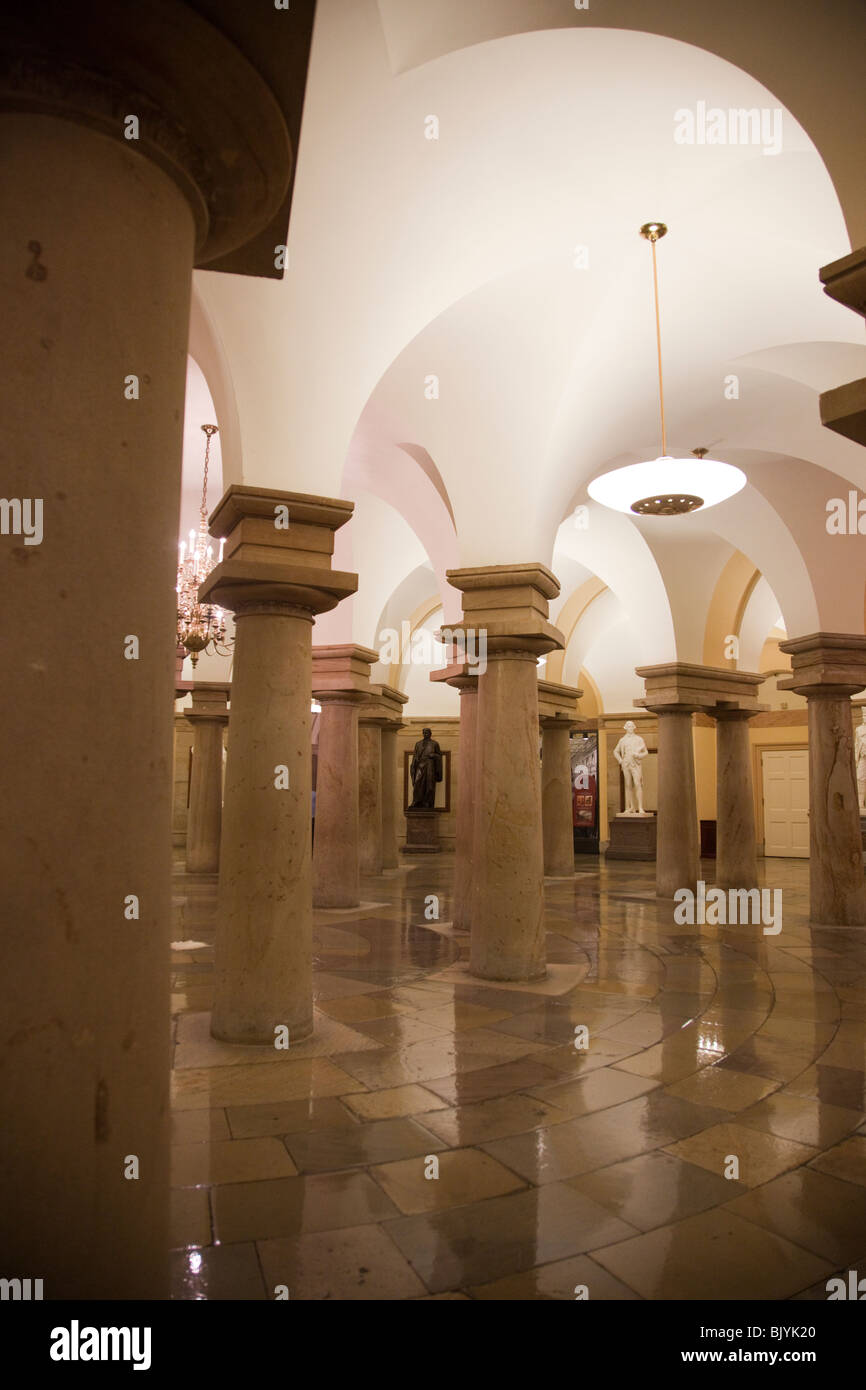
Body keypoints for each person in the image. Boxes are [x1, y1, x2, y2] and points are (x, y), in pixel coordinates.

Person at [612, 719, 648, 815]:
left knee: (637, 784)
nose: (630, 728)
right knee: (628, 785)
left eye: (631, 726)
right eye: (628, 726)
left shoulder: (639, 739)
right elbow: (615, 751)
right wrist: (620, 760)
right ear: (625, 728)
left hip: (635, 763)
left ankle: (640, 807)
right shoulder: (622, 740)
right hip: (626, 763)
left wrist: (639, 755)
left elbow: (645, 752)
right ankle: (629, 807)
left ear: (634, 727)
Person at [410, 727, 442, 808]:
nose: (425, 734)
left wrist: (434, 755)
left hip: (430, 765)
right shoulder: (418, 744)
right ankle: (416, 801)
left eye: (427, 733)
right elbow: (415, 756)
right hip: (420, 765)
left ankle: (427, 802)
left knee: (429, 785)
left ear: (430, 734)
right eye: (424, 733)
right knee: (418, 783)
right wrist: (414, 763)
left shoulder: (434, 744)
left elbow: (439, 756)